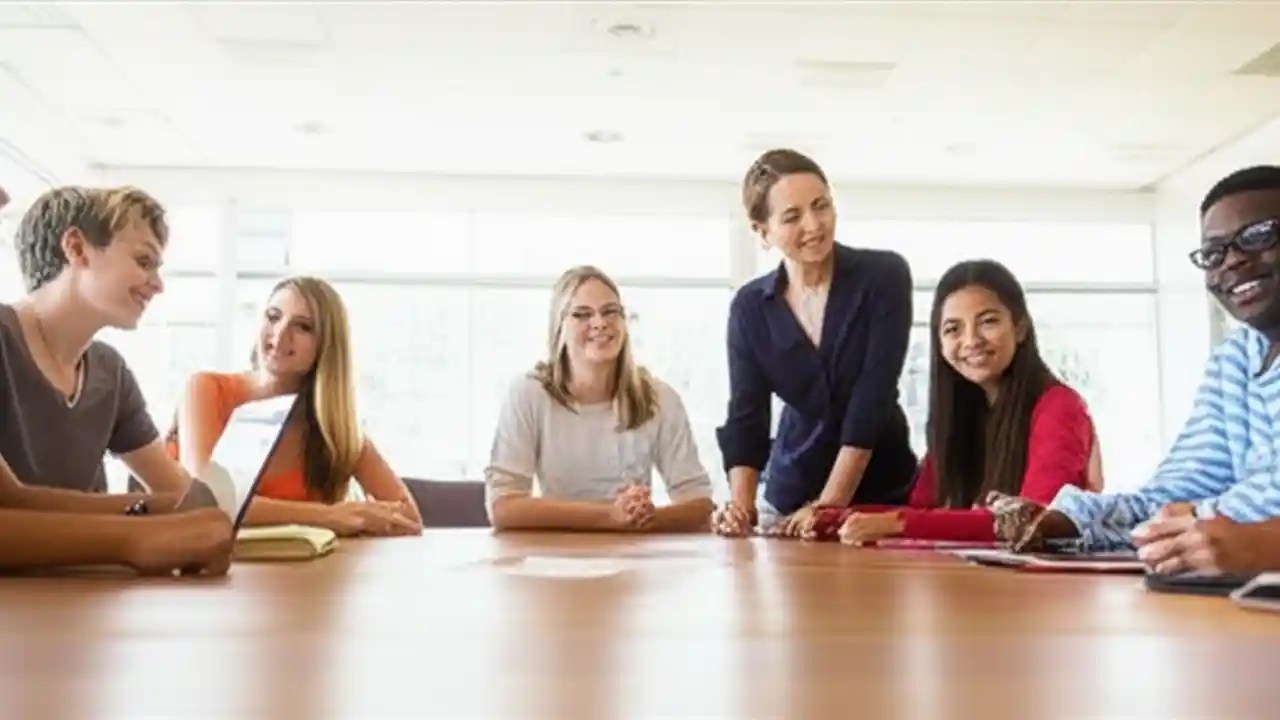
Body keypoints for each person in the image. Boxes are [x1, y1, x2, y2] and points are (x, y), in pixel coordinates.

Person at [1002, 165, 1280, 552]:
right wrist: (1073, 519)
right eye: (1214, 253)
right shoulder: (1234, 360)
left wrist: (1200, 519)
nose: (1231, 262)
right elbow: (1177, 491)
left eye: (1257, 236)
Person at [0, 184, 231, 574]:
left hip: (83, 596)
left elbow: (174, 488)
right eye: (144, 261)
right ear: (76, 249)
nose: (158, 284)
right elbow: (11, 501)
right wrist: (147, 518)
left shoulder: (110, 372)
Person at [803, 260, 1103, 543]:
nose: (971, 340)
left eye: (987, 322)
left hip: (1045, 592)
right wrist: (829, 517)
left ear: (1020, 328)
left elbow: (1036, 520)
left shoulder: (1060, 407)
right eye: (952, 329)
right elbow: (920, 509)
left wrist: (899, 525)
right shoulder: (962, 416)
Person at [711, 148, 918, 538]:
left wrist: (828, 508)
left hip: (882, 492)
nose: (814, 224)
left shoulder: (883, 277)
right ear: (762, 231)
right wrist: (741, 508)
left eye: (821, 206)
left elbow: (871, 399)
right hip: (791, 492)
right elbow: (747, 414)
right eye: (792, 217)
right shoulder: (750, 307)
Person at [169, 276, 422, 537]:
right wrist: (329, 516)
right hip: (190, 571)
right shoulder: (207, 389)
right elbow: (208, 501)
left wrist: (361, 517)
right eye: (273, 316)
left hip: (294, 574)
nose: (280, 334)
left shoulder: (334, 429)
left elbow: (409, 516)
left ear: (326, 346)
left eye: (303, 327)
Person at [485, 265, 716, 532]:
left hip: (634, 558)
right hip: (555, 556)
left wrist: (641, 518)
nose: (599, 323)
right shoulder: (529, 394)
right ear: (559, 328)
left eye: (610, 311)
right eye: (582, 314)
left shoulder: (659, 398)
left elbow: (699, 503)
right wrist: (609, 517)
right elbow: (503, 507)